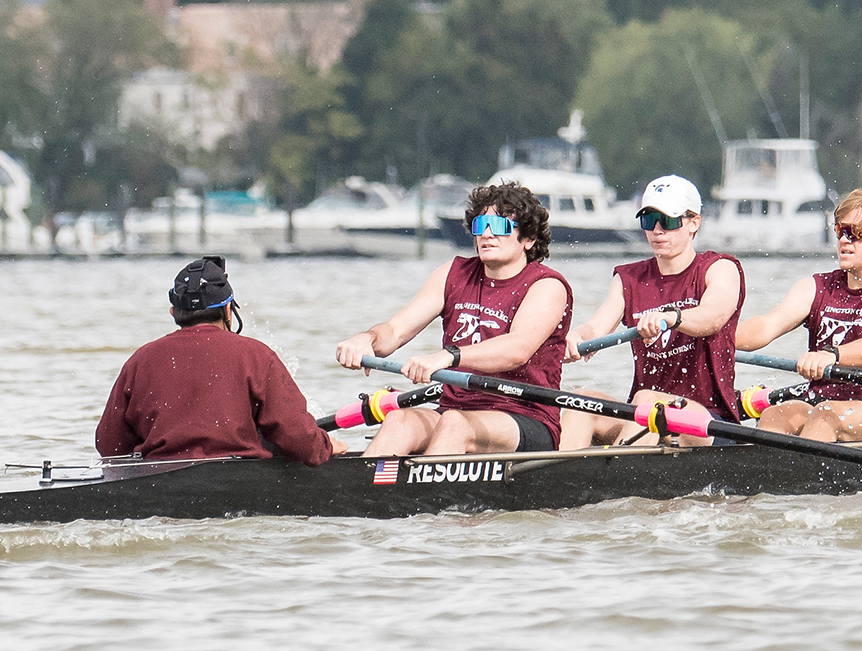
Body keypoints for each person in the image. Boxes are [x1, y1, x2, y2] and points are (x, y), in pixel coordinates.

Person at [334, 184, 573, 455]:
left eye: (499, 225)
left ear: (528, 238)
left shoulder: (547, 286)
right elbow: (395, 330)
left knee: (455, 424)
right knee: (399, 419)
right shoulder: (453, 274)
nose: (486, 234)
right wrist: (366, 339)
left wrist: (450, 356)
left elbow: (517, 349)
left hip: (526, 416)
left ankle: (421, 497)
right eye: (480, 224)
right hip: (454, 409)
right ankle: (361, 494)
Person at [97, 256, 343, 464]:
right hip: (235, 486)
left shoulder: (140, 360)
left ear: (174, 312)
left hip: (158, 486)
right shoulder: (257, 355)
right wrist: (325, 446)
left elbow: (110, 446)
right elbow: (297, 437)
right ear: (228, 310)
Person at [558, 175, 745, 448]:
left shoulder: (718, 268)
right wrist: (577, 337)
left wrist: (671, 318)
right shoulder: (628, 278)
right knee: (580, 402)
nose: (658, 230)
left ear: (694, 223)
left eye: (668, 221)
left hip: (710, 422)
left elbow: (713, 317)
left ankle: (618, 474)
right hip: (646, 415)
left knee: (647, 399)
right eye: (649, 221)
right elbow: (596, 327)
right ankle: (555, 481)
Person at [735, 188, 862, 441]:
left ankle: (800, 478)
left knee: (826, 415)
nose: (844, 240)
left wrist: (831, 355)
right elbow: (765, 326)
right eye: (841, 231)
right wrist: (717, 339)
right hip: (825, 401)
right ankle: (771, 477)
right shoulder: (815, 287)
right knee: (776, 414)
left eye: (857, 233)